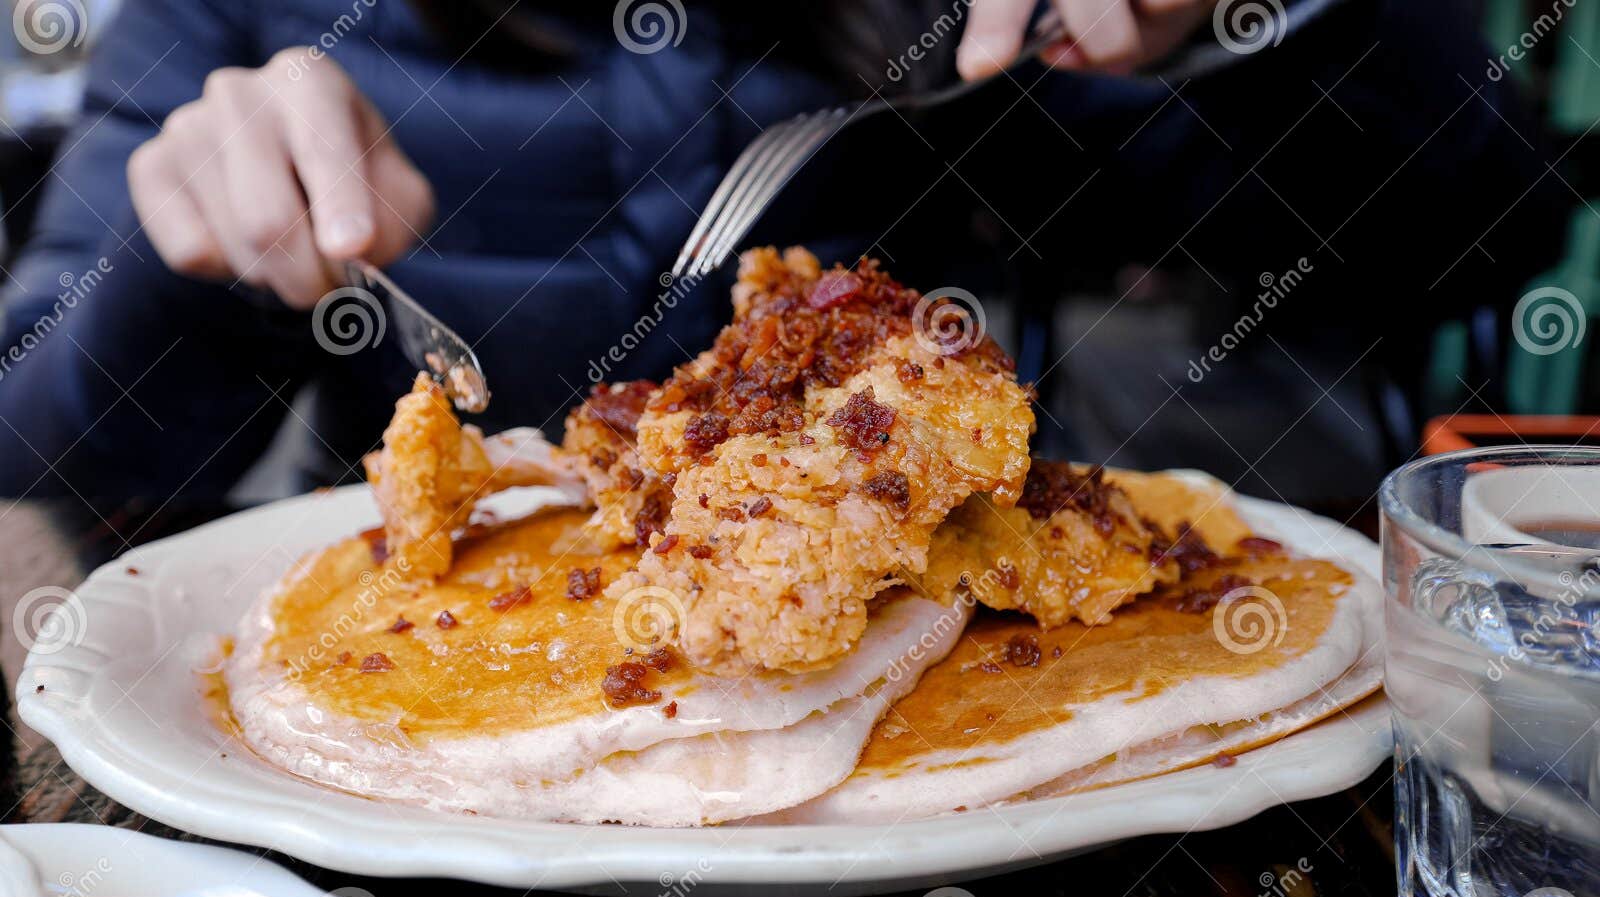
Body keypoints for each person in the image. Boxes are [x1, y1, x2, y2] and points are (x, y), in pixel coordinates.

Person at [0, 0, 1567, 498]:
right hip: (427, 724)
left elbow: (1466, 230)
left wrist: (1245, 30)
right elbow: (38, 474)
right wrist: (179, 267)